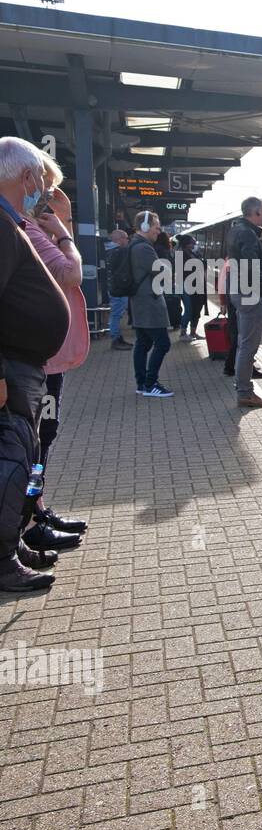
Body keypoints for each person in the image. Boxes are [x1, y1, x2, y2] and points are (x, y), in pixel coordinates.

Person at [0, 136, 70, 591]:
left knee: (19, 458)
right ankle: (3, 562)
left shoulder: (9, 222)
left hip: (20, 364)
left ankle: (12, 543)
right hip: (10, 368)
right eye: (42, 184)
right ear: (26, 177)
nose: (42, 194)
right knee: (10, 462)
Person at [20, 155, 88, 553]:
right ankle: (27, 520)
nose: (46, 196)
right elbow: (70, 272)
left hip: (46, 357)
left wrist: (63, 224)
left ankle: (36, 507)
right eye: (44, 188)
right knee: (35, 438)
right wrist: (64, 233)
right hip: (38, 358)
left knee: (42, 436)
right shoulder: (25, 228)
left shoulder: (28, 226)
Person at [225, 197, 262, 407]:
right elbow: (251, 265)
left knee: (244, 343)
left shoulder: (236, 230)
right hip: (250, 295)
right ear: (256, 212)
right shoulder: (247, 233)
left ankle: (243, 389)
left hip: (240, 292)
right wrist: (261, 290)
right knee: (248, 346)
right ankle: (245, 392)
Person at [128, 211, 173, 398]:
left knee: (143, 343)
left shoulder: (135, 245)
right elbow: (160, 271)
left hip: (140, 302)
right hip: (149, 303)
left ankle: (142, 383)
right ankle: (150, 384)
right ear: (145, 226)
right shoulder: (143, 248)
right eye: (156, 226)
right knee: (163, 343)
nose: (159, 230)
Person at [175, 234, 207, 341]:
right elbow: (185, 271)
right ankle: (183, 333)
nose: (194, 245)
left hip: (196, 285)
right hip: (185, 285)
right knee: (189, 309)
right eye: (193, 243)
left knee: (196, 308)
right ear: (186, 244)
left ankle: (193, 333)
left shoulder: (192, 253)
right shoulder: (180, 254)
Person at [105, 228, 132, 350]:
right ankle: (115, 338)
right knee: (116, 314)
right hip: (118, 289)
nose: (128, 240)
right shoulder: (120, 251)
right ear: (120, 239)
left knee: (116, 313)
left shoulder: (108, 250)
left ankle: (117, 337)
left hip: (113, 287)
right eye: (126, 238)